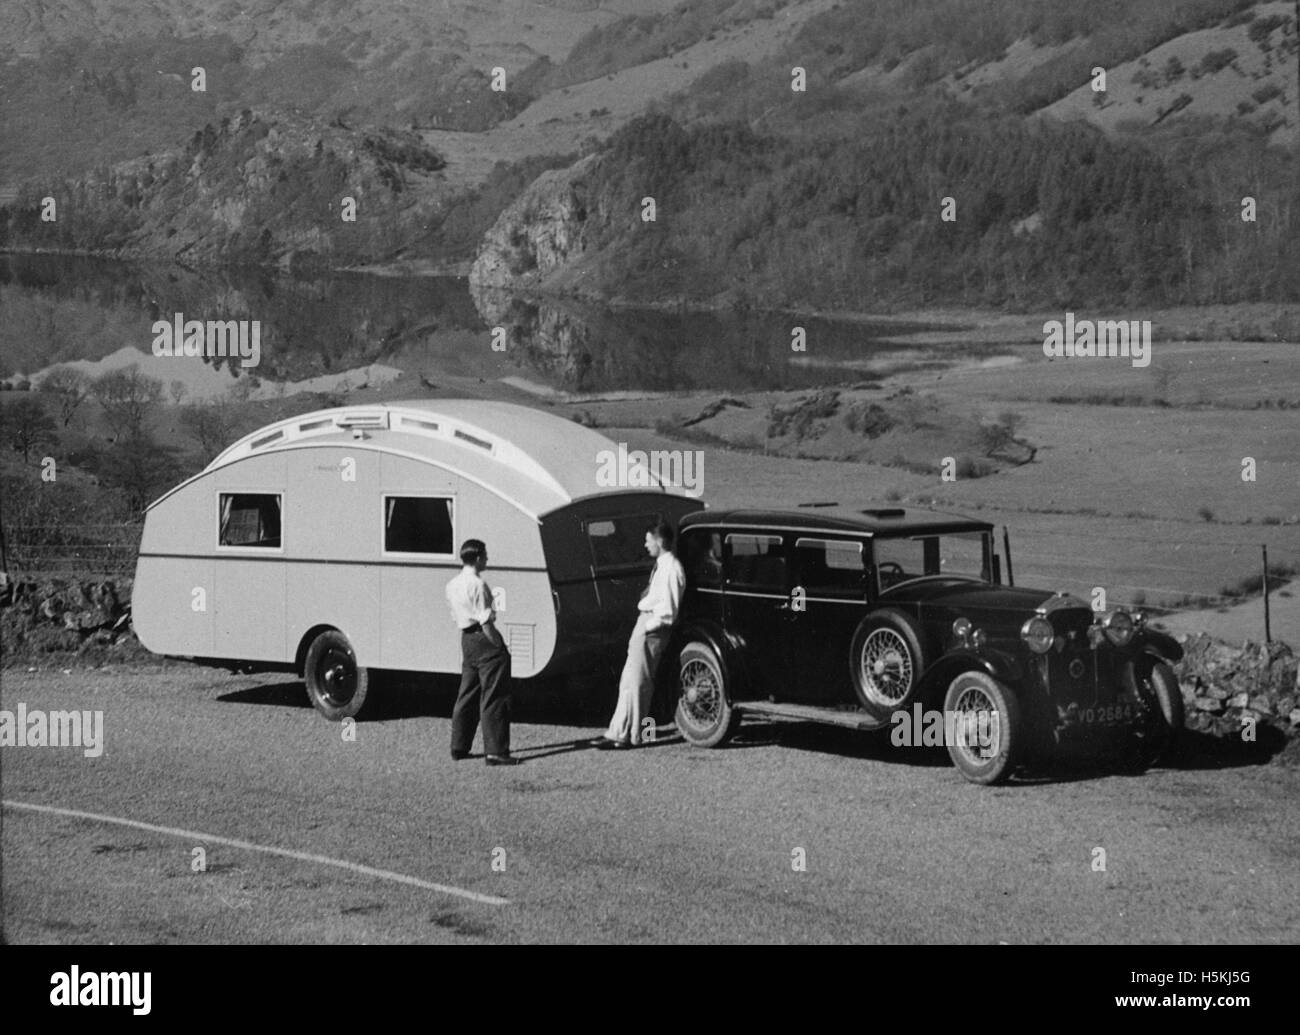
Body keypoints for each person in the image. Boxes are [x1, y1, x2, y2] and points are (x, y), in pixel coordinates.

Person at [596, 520, 685, 750]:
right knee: (629, 680)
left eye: (648, 541)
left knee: (638, 683)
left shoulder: (671, 568)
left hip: (652, 628)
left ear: (660, 541)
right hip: (645, 624)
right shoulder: (662, 566)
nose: (646, 545)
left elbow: (668, 610)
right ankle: (617, 730)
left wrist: (648, 627)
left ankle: (633, 734)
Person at [445, 538, 518, 766]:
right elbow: (486, 621)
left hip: (466, 639)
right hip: (483, 638)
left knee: (467, 693)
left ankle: (459, 745)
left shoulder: (452, 584)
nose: (487, 559)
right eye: (485, 555)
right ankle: (496, 750)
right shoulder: (478, 584)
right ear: (477, 558)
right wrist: (499, 645)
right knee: (494, 695)